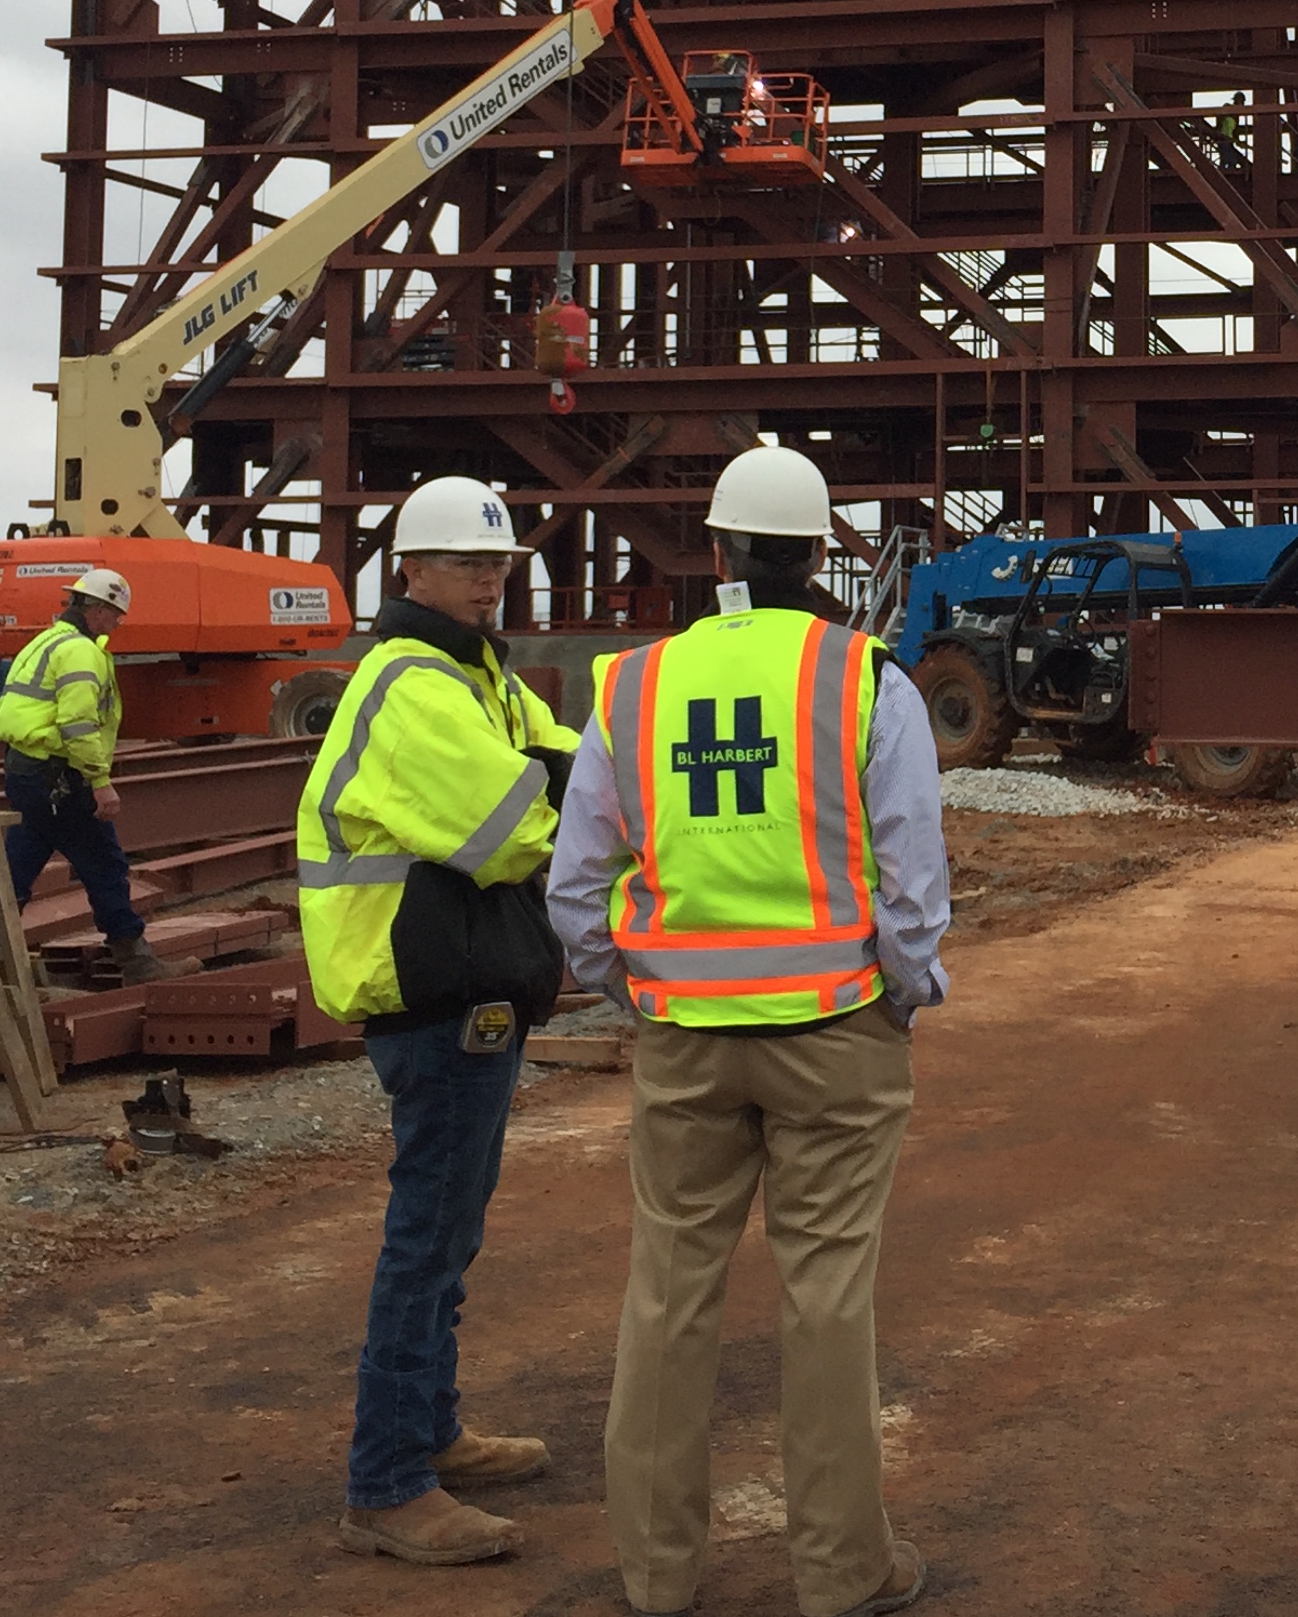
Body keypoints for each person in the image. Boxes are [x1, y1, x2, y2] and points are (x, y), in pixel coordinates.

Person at [549, 439, 952, 1617]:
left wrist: (629, 989)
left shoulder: (632, 686)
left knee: (669, 1284)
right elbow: (911, 872)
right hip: (837, 1028)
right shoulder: (867, 679)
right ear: (824, 551)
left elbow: (580, 880)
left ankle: (657, 1576)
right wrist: (904, 989)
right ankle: (840, 1575)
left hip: (685, 1036)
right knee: (828, 1294)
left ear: (717, 551)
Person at [297, 476, 580, 1568]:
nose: (488, 579)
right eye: (469, 564)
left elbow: (564, 760)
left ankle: (434, 1432)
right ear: (409, 569)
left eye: (500, 565)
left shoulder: (477, 677)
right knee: (424, 1242)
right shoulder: (414, 685)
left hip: (468, 990)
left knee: (449, 1234)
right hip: (429, 1001)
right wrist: (561, 788)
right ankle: (387, 1484)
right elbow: (514, 824)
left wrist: (563, 776)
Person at [0, 565, 170, 982]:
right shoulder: (80, 650)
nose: (117, 623)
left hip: (26, 772)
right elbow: (77, 723)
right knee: (104, 863)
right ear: (97, 610)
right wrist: (100, 782)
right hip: (60, 778)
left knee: (20, 862)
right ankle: (137, 962)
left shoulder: (45, 642)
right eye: (115, 614)